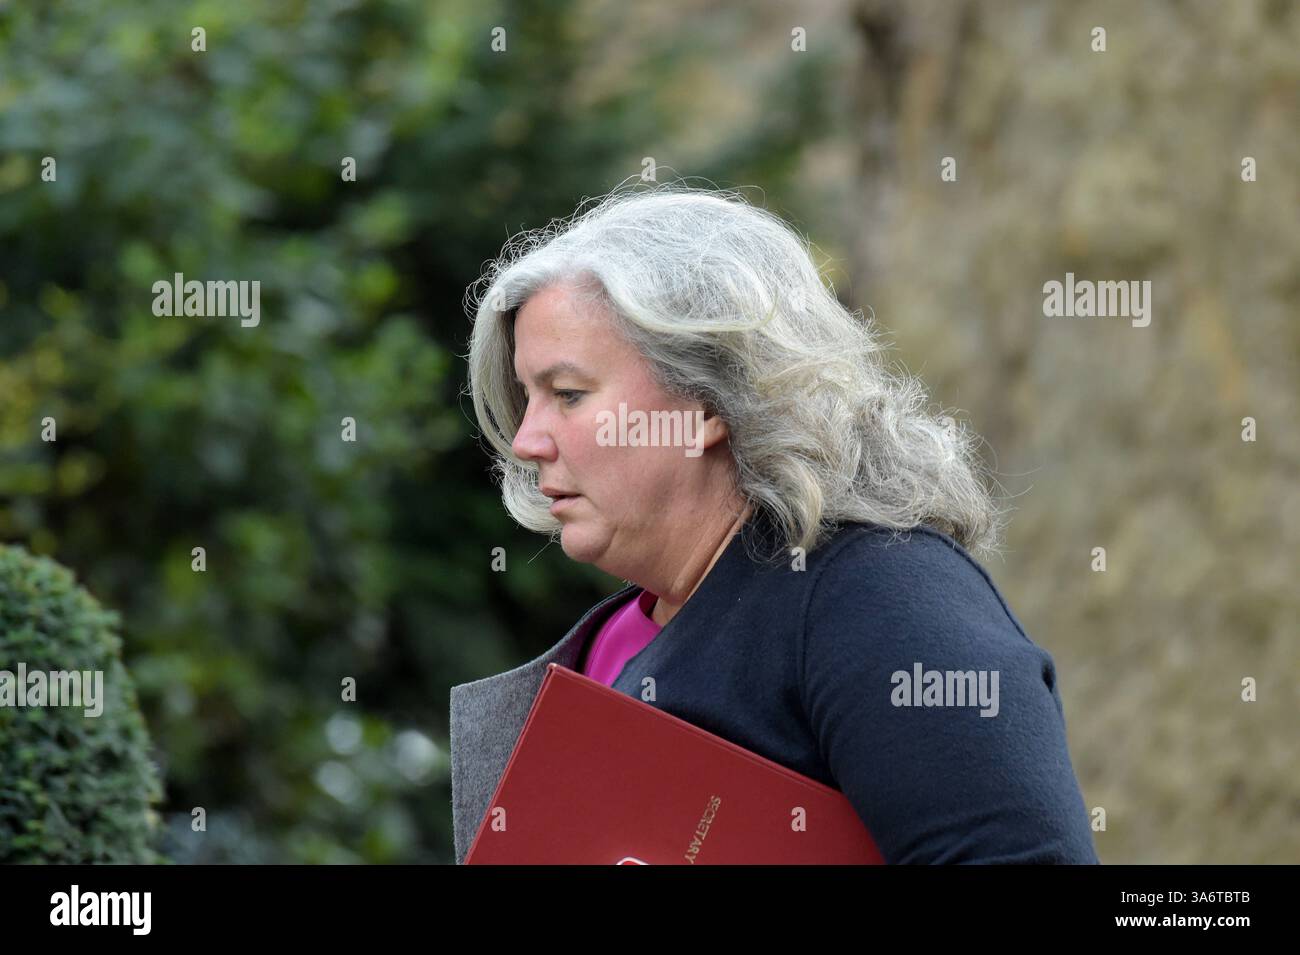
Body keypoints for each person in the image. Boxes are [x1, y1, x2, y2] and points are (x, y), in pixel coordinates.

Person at [450, 180, 1098, 864]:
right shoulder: (615, 639)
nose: (527, 439)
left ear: (708, 402)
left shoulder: (880, 595)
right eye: (527, 397)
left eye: (569, 394)